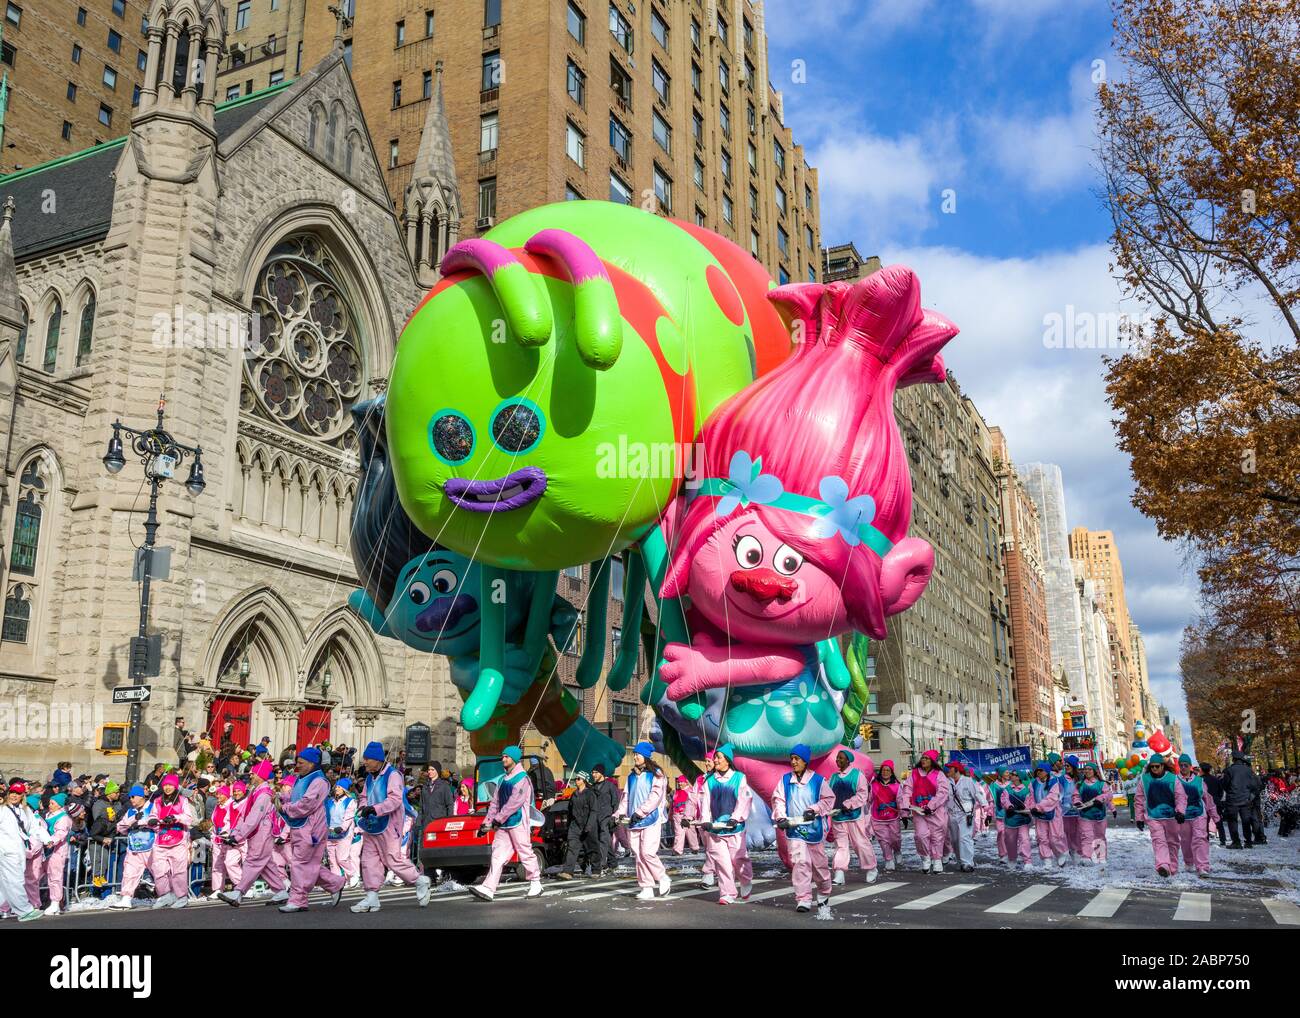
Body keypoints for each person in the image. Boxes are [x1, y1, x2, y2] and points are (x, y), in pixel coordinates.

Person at [351, 742, 432, 913]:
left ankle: (420, 880)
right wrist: (363, 808)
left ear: (377, 760)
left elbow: (395, 800)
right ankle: (372, 896)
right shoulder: (368, 777)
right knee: (368, 860)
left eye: (367, 759)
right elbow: (364, 796)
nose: (364, 762)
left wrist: (375, 809)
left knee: (392, 860)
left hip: (389, 825)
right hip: (372, 825)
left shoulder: (393, 775)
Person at [469, 746, 543, 902]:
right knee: (497, 855)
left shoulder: (522, 778)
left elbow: (514, 803)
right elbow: (495, 802)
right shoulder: (503, 779)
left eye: (506, 757)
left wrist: (497, 819)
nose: (503, 759)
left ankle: (536, 882)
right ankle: (489, 888)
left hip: (518, 822)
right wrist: (487, 822)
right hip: (504, 823)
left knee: (525, 852)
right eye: (503, 756)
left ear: (514, 759)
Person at [278, 747, 346, 913]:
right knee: (308, 864)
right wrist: (283, 798)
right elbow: (297, 798)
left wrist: (285, 807)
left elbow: (306, 805)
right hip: (301, 827)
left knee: (300, 864)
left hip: (312, 829)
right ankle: (336, 883)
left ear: (312, 763)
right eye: (297, 762)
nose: (297, 765)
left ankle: (298, 899)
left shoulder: (319, 781)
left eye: (301, 763)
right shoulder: (302, 778)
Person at [771, 744, 835, 913]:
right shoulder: (785, 780)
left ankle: (824, 892)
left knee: (819, 866)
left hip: (814, 829)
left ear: (805, 761)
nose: (793, 762)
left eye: (797, 759)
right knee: (800, 863)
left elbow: (828, 800)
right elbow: (778, 800)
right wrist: (781, 817)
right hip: (794, 829)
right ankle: (803, 899)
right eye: (791, 758)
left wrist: (814, 809)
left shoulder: (818, 780)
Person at [219, 760, 288, 907]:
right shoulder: (255, 791)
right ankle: (281, 891)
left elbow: (254, 817)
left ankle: (238, 892)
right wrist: (235, 833)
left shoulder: (264, 794)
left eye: (253, 773)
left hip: (261, 832)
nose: (250, 774)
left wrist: (238, 836)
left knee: (253, 860)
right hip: (257, 832)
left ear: (260, 775)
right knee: (266, 863)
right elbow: (245, 815)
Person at [690, 743, 752, 905]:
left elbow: (744, 799)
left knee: (739, 859)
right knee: (722, 863)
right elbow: (706, 803)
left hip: (735, 828)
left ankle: (745, 880)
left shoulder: (739, 778)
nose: (715, 760)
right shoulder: (709, 780)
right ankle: (727, 893)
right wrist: (705, 821)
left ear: (727, 760)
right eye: (715, 757)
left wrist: (735, 818)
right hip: (717, 829)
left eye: (718, 757)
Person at [613, 741, 670, 900]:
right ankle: (647, 887)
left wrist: (641, 812)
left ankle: (663, 878)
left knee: (647, 852)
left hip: (651, 819)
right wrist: (617, 815)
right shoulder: (631, 776)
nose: (635, 756)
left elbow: (656, 797)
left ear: (645, 756)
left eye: (637, 754)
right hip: (634, 821)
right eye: (635, 754)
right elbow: (626, 799)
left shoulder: (657, 774)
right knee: (638, 854)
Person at [829, 749, 877, 885]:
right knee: (840, 846)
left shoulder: (857, 775)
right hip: (838, 817)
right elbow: (828, 795)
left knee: (860, 843)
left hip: (854, 816)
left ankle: (871, 868)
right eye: (837, 758)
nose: (838, 760)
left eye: (841, 758)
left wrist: (849, 804)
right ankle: (839, 873)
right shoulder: (833, 777)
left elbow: (863, 794)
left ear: (848, 760)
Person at [1133, 754, 1186, 877]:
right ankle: (1162, 865)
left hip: (1171, 817)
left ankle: (1172, 867)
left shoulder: (1173, 778)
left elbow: (1181, 797)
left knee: (1172, 843)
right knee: (1159, 841)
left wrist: (1180, 811)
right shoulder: (1144, 779)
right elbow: (1139, 800)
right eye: (1152, 767)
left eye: (1157, 766)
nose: (1154, 769)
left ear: (1163, 766)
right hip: (1153, 817)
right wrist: (1139, 818)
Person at [148, 773, 195, 908]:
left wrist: (175, 818)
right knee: (158, 869)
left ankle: (181, 896)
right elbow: (153, 816)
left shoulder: (182, 800)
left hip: (178, 840)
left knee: (178, 871)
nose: (168, 787)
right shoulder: (157, 801)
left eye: (171, 785)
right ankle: (164, 895)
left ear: (175, 786)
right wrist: (152, 821)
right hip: (161, 840)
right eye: (165, 785)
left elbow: (188, 818)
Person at [0, 781, 42, 921]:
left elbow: (34, 828)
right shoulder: (2, 809)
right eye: (12, 792)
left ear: (22, 795)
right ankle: (24, 911)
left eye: (17, 793)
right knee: (14, 881)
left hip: (19, 850)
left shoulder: (26, 810)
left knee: (6, 882)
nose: (14, 795)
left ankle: (3, 908)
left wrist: (41, 840)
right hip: (6, 851)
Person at [901, 749, 949, 872]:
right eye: (922, 758)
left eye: (926, 758)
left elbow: (943, 792)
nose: (923, 760)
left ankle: (937, 860)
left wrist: (931, 806)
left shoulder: (939, 774)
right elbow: (907, 790)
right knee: (921, 835)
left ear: (932, 761)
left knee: (937, 837)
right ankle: (926, 858)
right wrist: (905, 807)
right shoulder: (914, 774)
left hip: (936, 811)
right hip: (918, 811)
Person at [109, 785, 154, 909]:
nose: (131, 799)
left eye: (133, 797)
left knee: (160, 873)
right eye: (130, 797)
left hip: (152, 847)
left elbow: (158, 825)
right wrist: (132, 820)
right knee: (129, 874)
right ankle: (126, 898)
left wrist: (143, 823)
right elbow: (120, 827)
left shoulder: (152, 808)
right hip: (134, 848)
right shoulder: (130, 811)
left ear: (141, 796)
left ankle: (168, 894)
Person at [1176, 754, 1218, 878]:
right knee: (1186, 841)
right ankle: (1189, 862)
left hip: (1199, 814)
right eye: (1181, 765)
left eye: (1186, 765)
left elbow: (1208, 799)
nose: (1183, 767)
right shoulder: (1175, 781)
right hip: (1182, 816)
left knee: (1200, 839)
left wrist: (1215, 816)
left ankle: (1203, 867)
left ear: (1190, 766)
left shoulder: (1200, 781)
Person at [559, 771, 598, 880]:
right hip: (575, 826)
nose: (576, 780)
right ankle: (567, 872)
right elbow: (570, 811)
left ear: (584, 781)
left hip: (588, 826)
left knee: (591, 849)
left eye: (578, 779)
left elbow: (594, 811)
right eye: (576, 779)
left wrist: (589, 826)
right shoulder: (574, 794)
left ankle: (596, 869)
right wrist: (568, 826)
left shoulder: (590, 794)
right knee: (572, 848)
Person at [1221, 750, 1264, 849]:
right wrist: (1250, 795)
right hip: (1245, 799)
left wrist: (1230, 791)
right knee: (1246, 821)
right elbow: (1254, 785)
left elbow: (1224, 784)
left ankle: (1236, 842)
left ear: (1233, 759)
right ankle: (1248, 841)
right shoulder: (1248, 770)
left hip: (1232, 799)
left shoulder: (1229, 770)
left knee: (1233, 821)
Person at [1028, 761, 1066, 868]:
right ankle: (1047, 859)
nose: (1039, 772)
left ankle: (1060, 854)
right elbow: (1030, 797)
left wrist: (1038, 807)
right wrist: (1032, 807)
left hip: (1054, 814)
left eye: (1042, 770)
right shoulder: (1033, 783)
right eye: (1038, 770)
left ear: (1047, 772)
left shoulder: (1054, 783)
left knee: (1055, 837)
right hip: (1040, 816)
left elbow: (1052, 798)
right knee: (1042, 837)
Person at [944, 760, 979, 873]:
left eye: (950, 768)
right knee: (954, 840)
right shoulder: (946, 782)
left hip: (965, 814)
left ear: (956, 769)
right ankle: (960, 861)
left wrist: (986, 809)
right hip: (951, 814)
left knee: (965, 838)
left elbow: (977, 794)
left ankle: (967, 863)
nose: (948, 770)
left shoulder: (968, 781)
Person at [1073, 762, 1108, 867]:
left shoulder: (1102, 784)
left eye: (1089, 769)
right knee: (1086, 835)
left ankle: (1101, 856)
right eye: (1085, 769)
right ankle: (1086, 857)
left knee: (1099, 836)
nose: (1087, 771)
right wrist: (1077, 802)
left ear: (1094, 771)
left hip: (1099, 815)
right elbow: (1075, 796)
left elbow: (1108, 794)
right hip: (1085, 815)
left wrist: (1100, 799)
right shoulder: (1080, 784)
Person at [869, 760, 902, 871]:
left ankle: (897, 850)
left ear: (891, 772)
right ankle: (888, 859)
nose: (885, 772)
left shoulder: (896, 786)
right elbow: (869, 799)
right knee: (884, 840)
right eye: (883, 770)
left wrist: (904, 813)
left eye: (887, 770)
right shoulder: (873, 785)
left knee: (895, 839)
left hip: (893, 817)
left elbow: (900, 801)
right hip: (877, 818)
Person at [209, 785, 241, 899]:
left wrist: (227, 833)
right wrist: (213, 837)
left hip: (228, 839)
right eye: (217, 794)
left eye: (220, 794)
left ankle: (241, 885)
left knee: (230, 863)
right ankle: (218, 889)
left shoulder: (231, 805)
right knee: (217, 865)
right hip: (217, 839)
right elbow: (214, 823)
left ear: (226, 795)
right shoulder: (217, 807)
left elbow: (232, 822)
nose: (218, 796)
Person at [325, 777, 358, 887]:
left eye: (339, 787)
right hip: (330, 833)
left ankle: (352, 875)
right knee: (332, 860)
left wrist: (342, 828)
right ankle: (337, 881)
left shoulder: (350, 801)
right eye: (336, 787)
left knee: (342, 858)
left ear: (345, 789)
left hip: (344, 833)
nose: (337, 789)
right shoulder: (330, 802)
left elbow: (349, 816)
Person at [1000, 771, 1034, 870]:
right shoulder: (1007, 789)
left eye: (1014, 775)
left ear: (1019, 777)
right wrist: (1009, 806)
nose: (1011, 776)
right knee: (1010, 840)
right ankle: (1012, 859)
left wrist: (1025, 807)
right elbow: (1004, 799)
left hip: (1023, 819)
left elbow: (1030, 801)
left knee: (1025, 839)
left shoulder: (1026, 790)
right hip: (1011, 819)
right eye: (1012, 774)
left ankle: (1027, 860)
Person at [590, 763, 619, 876]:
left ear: (601, 773)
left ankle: (601, 864)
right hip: (595, 818)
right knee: (604, 840)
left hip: (607, 818)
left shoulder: (610, 786)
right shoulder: (592, 787)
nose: (593, 774)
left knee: (603, 839)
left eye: (596, 772)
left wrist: (614, 817)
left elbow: (615, 802)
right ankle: (613, 862)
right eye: (592, 772)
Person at [692, 754, 717, 886]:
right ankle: (711, 874)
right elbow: (693, 799)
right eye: (705, 761)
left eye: (709, 761)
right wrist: (688, 815)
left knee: (715, 849)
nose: (706, 764)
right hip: (703, 821)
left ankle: (710, 874)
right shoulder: (700, 780)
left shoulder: (722, 779)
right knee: (708, 848)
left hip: (718, 821)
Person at [418, 762, 455, 833]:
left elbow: (450, 804)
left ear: (437, 771)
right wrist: (419, 821)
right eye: (429, 770)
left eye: (432, 770)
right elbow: (421, 805)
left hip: (440, 821)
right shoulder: (425, 786)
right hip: (426, 822)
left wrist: (449, 821)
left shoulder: (444, 786)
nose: (429, 772)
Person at [1059, 756, 1082, 861]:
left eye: (1068, 765)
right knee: (1065, 831)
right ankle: (1067, 850)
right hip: (1065, 811)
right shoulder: (1061, 778)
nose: (1066, 767)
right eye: (1065, 765)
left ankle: (1076, 850)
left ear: (1073, 766)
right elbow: (1058, 793)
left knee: (1077, 832)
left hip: (1078, 810)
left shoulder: (1080, 779)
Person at [670, 775, 698, 854]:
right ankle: (677, 850)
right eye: (678, 782)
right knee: (679, 832)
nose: (679, 783)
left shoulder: (690, 791)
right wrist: (670, 814)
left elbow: (694, 803)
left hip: (688, 815)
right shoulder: (676, 792)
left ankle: (694, 848)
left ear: (686, 782)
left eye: (681, 781)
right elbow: (673, 804)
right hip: (677, 814)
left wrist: (694, 814)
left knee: (690, 831)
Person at [989, 768, 1011, 863]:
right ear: (1001, 774)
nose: (1008, 773)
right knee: (1001, 833)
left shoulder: (1011, 785)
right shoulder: (993, 785)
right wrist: (989, 813)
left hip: (1010, 814)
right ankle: (1003, 854)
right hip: (999, 814)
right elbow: (990, 800)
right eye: (1006, 772)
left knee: (1010, 834)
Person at [1201, 763, 1227, 846]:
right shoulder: (1216, 779)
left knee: (1205, 822)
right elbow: (1221, 791)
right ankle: (1223, 839)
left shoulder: (1199, 780)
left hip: (1204, 803)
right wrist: (1217, 799)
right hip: (1215, 802)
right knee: (1218, 822)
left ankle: (1206, 839)